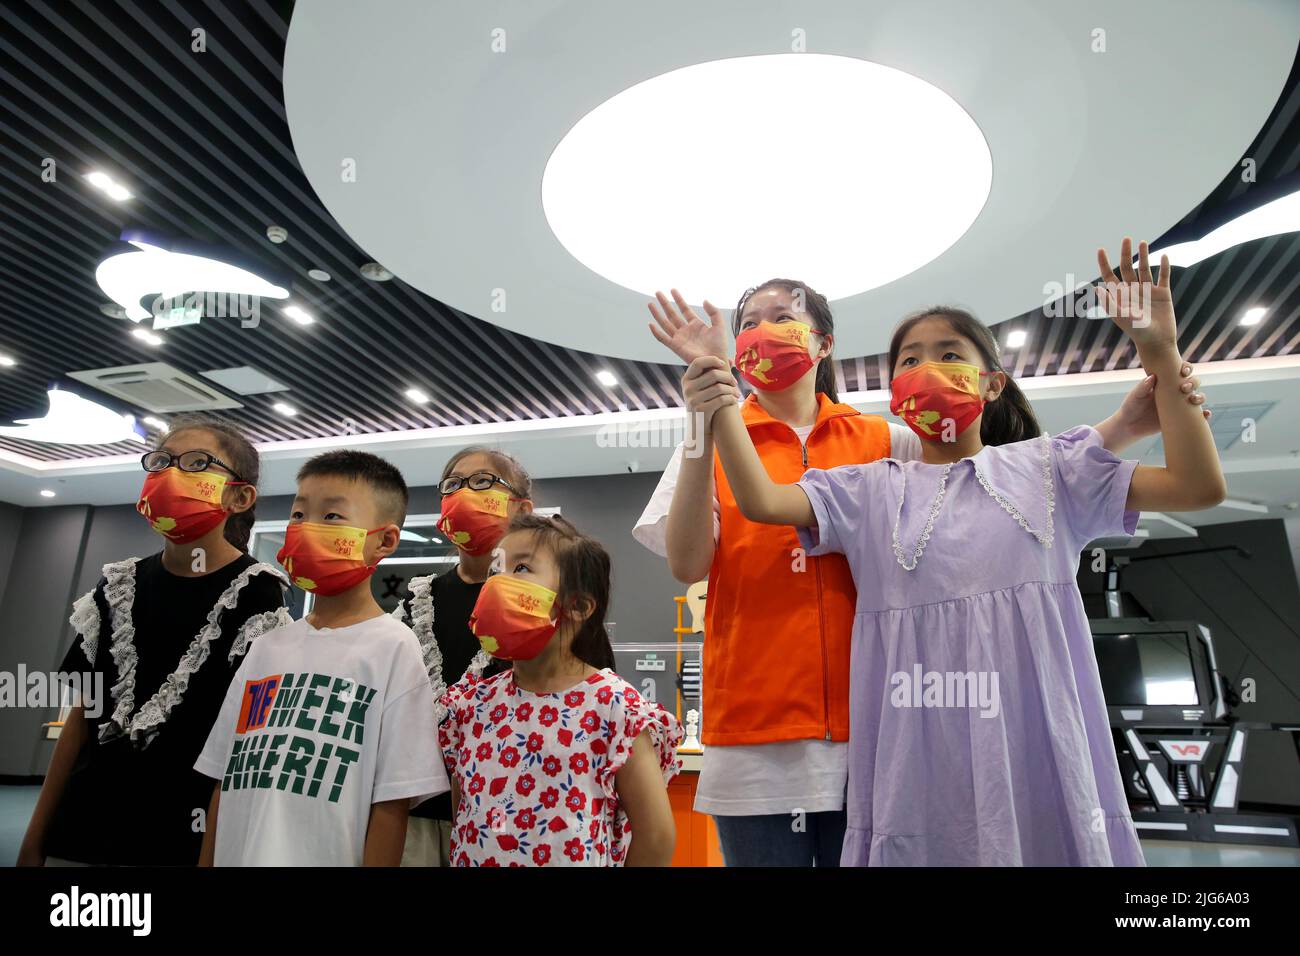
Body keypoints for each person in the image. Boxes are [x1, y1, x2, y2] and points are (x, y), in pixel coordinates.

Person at [691, 238, 1226, 865]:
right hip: (915, 753)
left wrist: (1159, 351)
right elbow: (760, 500)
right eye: (909, 360)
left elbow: (1197, 486)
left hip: (1035, 742)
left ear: (993, 383)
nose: (928, 369)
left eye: (949, 354)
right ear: (895, 392)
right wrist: (720, 398)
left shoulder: (1049, 470)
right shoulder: (868, 489)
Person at [18, 415, 290, 866]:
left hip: (180, 835)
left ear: (239, 496)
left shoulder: (257, 593)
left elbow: (245, 740)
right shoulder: (118, 585)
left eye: (197, 463)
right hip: (83, 824)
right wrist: (35, 838)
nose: (171, 474)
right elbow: (81, 719)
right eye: (162, 461)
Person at [195, 451, 446, 866]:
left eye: (331, 516)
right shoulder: (265, 648)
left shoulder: (394, 648)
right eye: (298, 514)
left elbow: (392, 803)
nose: (306, 528)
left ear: (384, 540)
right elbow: (224, 779)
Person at [440, 513, 682, 866]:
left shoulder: (613, 707)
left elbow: (656, 836)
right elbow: (463, 813)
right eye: (496, 571)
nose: (498, 584)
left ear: (578, 606)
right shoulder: (471, 705)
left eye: (521, 568)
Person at [393, 445, 533, 866]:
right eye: (453, 484)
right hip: (416, 811)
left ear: (522, 507)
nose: (464, 493)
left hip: (509, 808)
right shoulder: (418, 601)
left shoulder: (539, 602)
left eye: (483, 482)